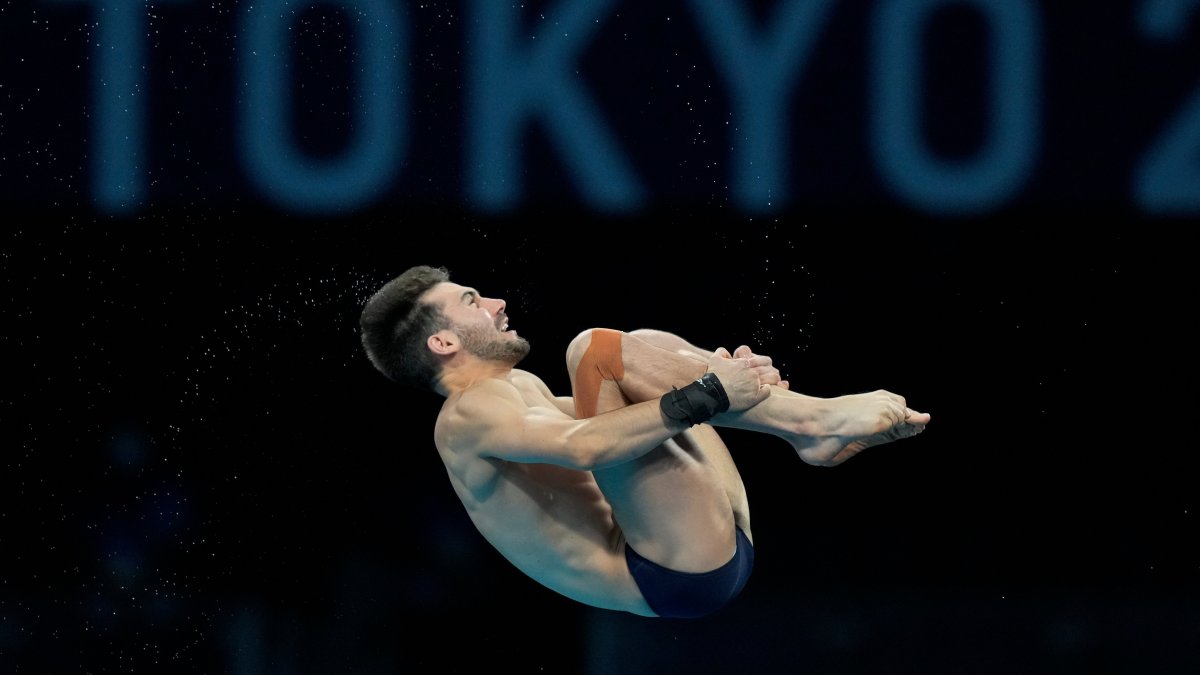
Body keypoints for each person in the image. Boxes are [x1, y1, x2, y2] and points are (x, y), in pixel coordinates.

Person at [358, 265, 930, 619]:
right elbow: (586, 447)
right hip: (666, 569)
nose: (497, 303)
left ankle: (810, 428)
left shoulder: (514, 388)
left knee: (640, 347)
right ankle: (813, 423)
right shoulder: (466, 417)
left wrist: (706, 380)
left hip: (691, 544)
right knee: (595, 351)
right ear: (442, 342)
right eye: (472, 300)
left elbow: (632, 415)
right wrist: (707, 392)